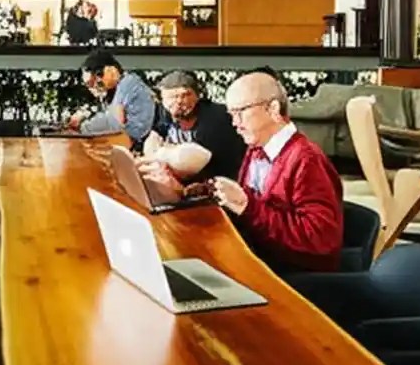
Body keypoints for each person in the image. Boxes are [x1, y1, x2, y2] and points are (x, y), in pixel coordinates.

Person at [142, 72, 343, 273]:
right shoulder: (257, 149)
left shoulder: (306, 159)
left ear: (272, 109)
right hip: (254, 258)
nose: (234, 123)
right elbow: (253, 205)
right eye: (231, 114)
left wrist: (245, 205)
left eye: (240, 112)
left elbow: (320, 241)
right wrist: (203, 192)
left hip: (290, 276)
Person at [138, 70, 246, 182]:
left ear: (197, 96)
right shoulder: (166, 115)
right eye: (172, 97)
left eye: (185, 95)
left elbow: (196, 160)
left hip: (226, 180)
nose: (179, 101)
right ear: (162, 99)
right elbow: (153, 140)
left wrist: (164, 152)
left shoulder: (214, 118)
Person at [64, 49, 156, 149]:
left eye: (94, 82)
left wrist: (84, 127)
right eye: (89, 85)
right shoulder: (121, 87)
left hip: (137, 143)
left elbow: (116, 122)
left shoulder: (127, 83)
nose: (95, 87)